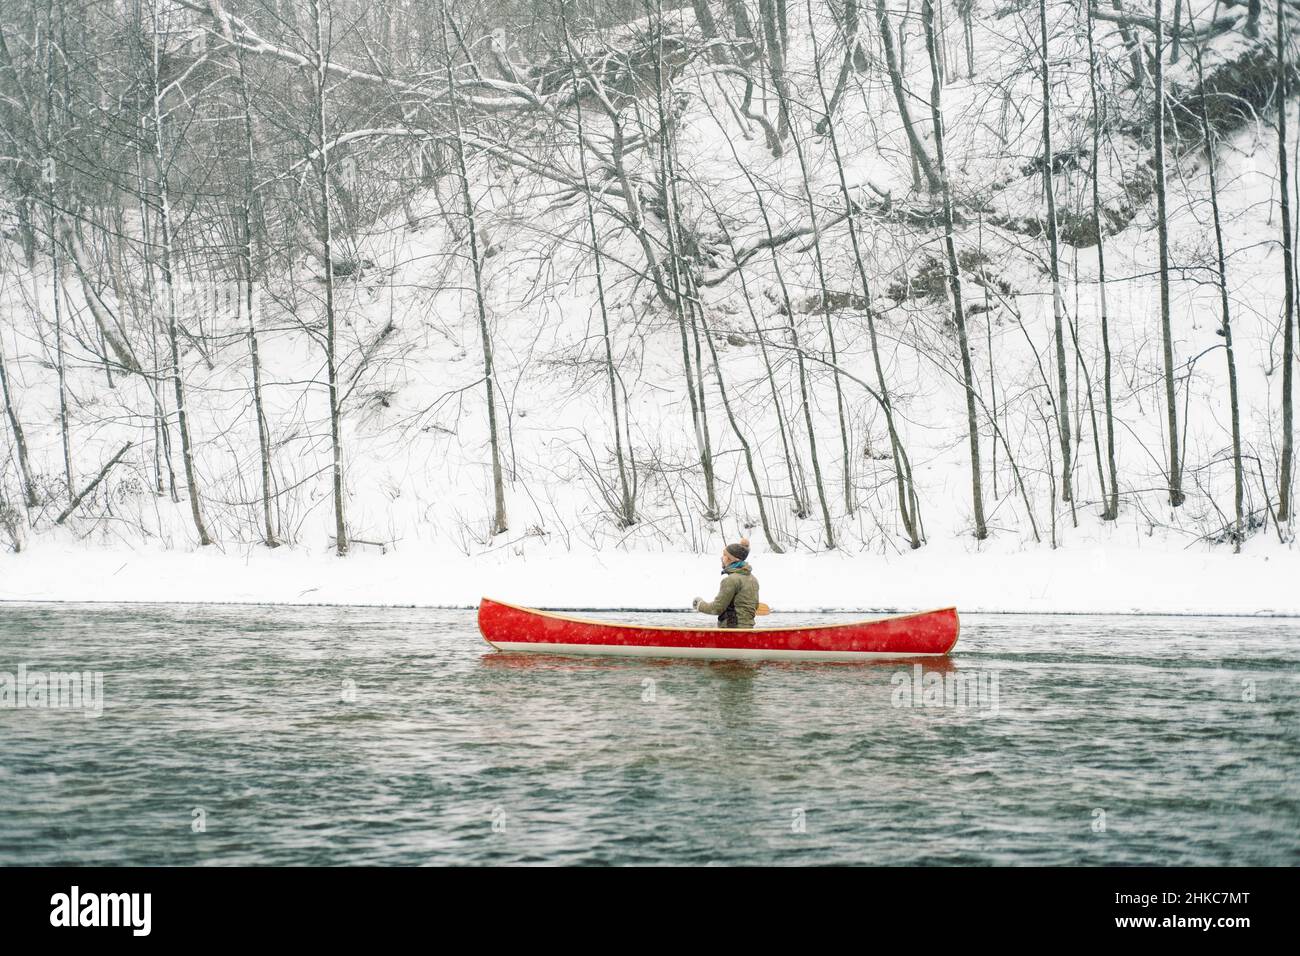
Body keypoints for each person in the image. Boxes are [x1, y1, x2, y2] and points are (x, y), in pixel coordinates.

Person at [692, 537, 760, 628]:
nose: (722, 558)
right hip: (748, 630)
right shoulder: (753, 579)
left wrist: (699, 605)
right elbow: (755, 606)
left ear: (732, 559)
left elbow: (717, 608)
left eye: (724, 555)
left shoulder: (730, 580)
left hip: (731, 630)